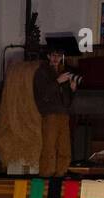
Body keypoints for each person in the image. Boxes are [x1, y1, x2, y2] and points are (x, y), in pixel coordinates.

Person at [33, 46, 77, 178]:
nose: (56, 59)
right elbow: (43, 94)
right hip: (50, 113)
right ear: (48, 56)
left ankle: (61, 172)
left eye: (58, 56)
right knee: (49, 146)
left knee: (65, 146)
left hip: (63, 113)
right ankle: (46, 174)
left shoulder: (63, 71)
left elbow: (66, 97)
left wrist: (72, 89)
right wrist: (58, 81)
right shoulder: (41, 72)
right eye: (53, 55)